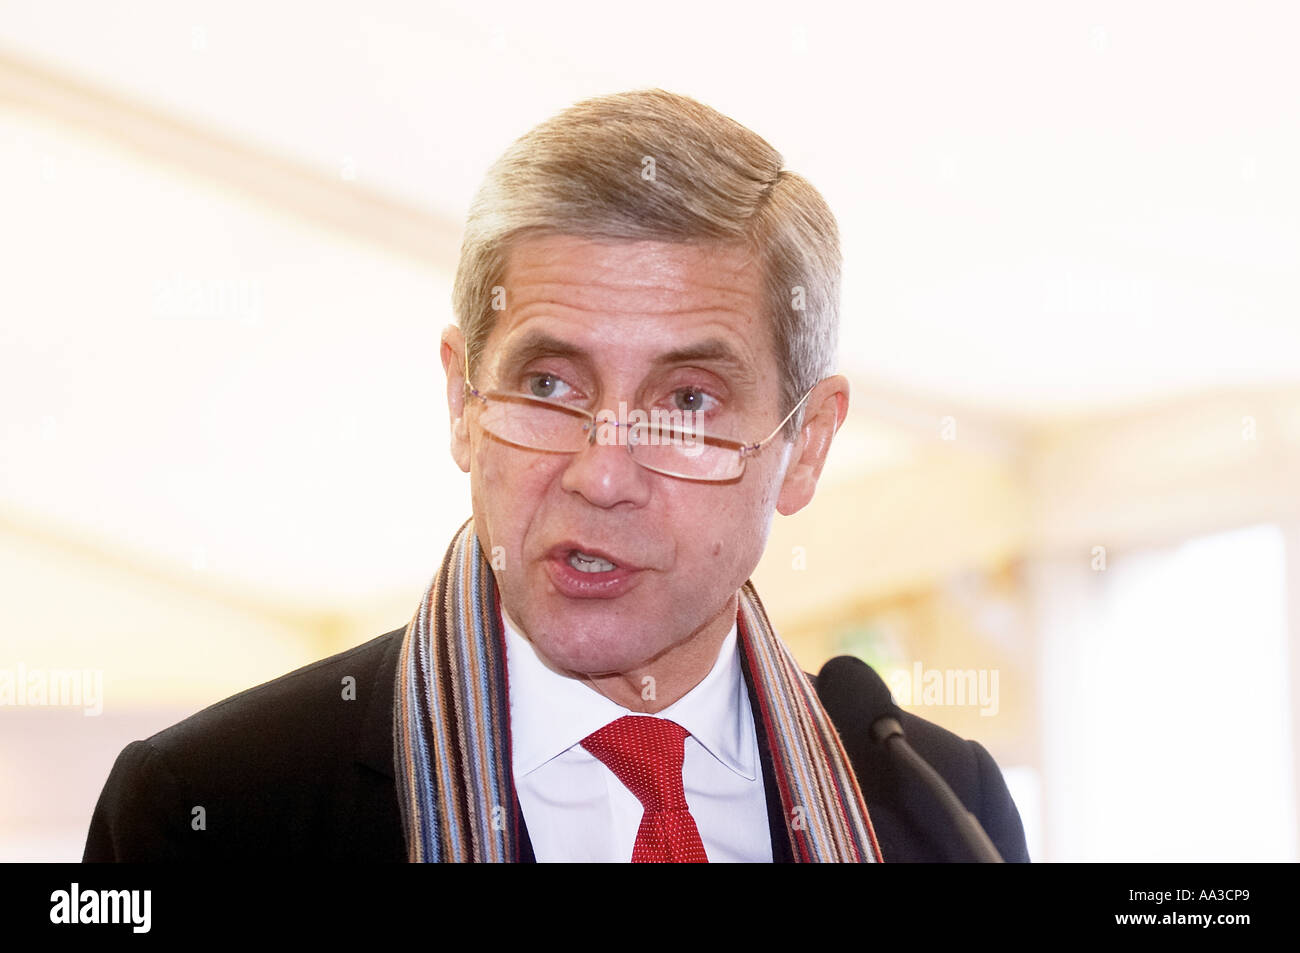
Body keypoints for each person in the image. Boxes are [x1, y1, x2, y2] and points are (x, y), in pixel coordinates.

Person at [83, 89, 1029, 863]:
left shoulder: (940, 810)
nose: (602, 473)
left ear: (808, 444)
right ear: (462, 401)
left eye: (688, 400)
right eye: (547, 384)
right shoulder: (210, 813)